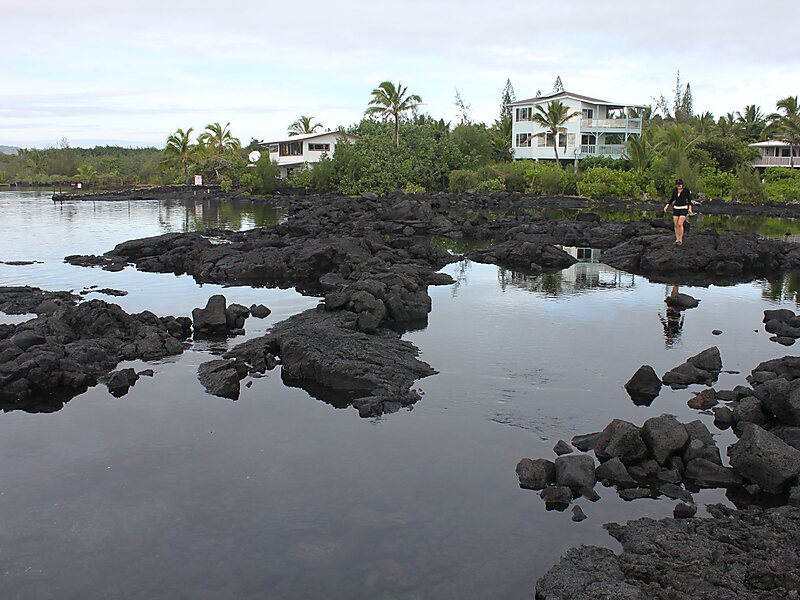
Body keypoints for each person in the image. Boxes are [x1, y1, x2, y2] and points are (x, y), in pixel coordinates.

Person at [663, 179, 694, 245]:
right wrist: (667, 206)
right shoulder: (675, 190)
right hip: (676, 208)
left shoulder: (686, 190)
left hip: (684, 208)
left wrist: (690, 208)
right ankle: (677, 239)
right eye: (677, 185)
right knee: (676, 224)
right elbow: (671, 199)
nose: (678, 186)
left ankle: (680, 239)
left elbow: (689, 200)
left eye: (679, 185)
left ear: (682, 184)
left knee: (680, 224)